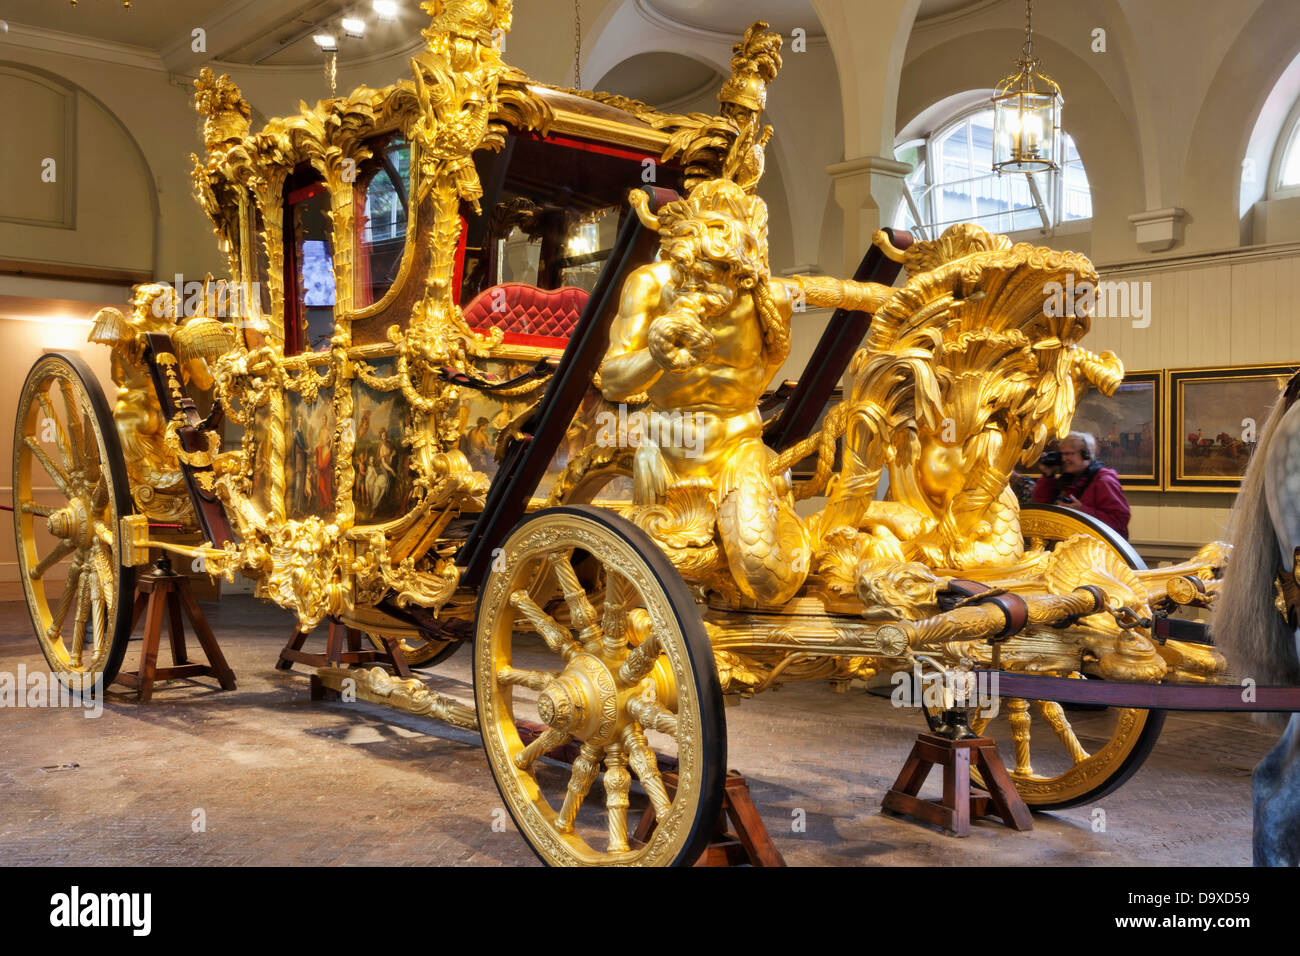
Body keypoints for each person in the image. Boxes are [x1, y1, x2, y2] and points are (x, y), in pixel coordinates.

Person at [1032, 431, 1131, 538]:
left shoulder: (1104, 481)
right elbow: (1040, 505)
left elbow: (1119, 522)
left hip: (1097, 550)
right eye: (1063, 454)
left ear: (1086, 454)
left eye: (1070, 453)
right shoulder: (1067, 479)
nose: (1064, 459)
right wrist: (1048, 475)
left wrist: (1082, 511)